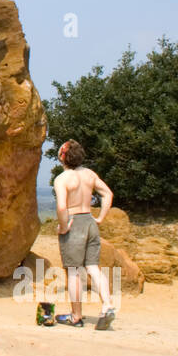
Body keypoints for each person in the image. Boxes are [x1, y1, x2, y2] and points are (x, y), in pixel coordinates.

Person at [51, 139, 117, 330]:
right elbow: (108, 194)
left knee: (73, 272)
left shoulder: (62, 179)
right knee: (93, 267)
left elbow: (62, 206)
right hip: (89, 221)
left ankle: (76, 316)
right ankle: (107, 306)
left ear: (63, 156)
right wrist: (100, 218)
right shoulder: (89, 174)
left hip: (73, 223)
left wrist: (63, 227)